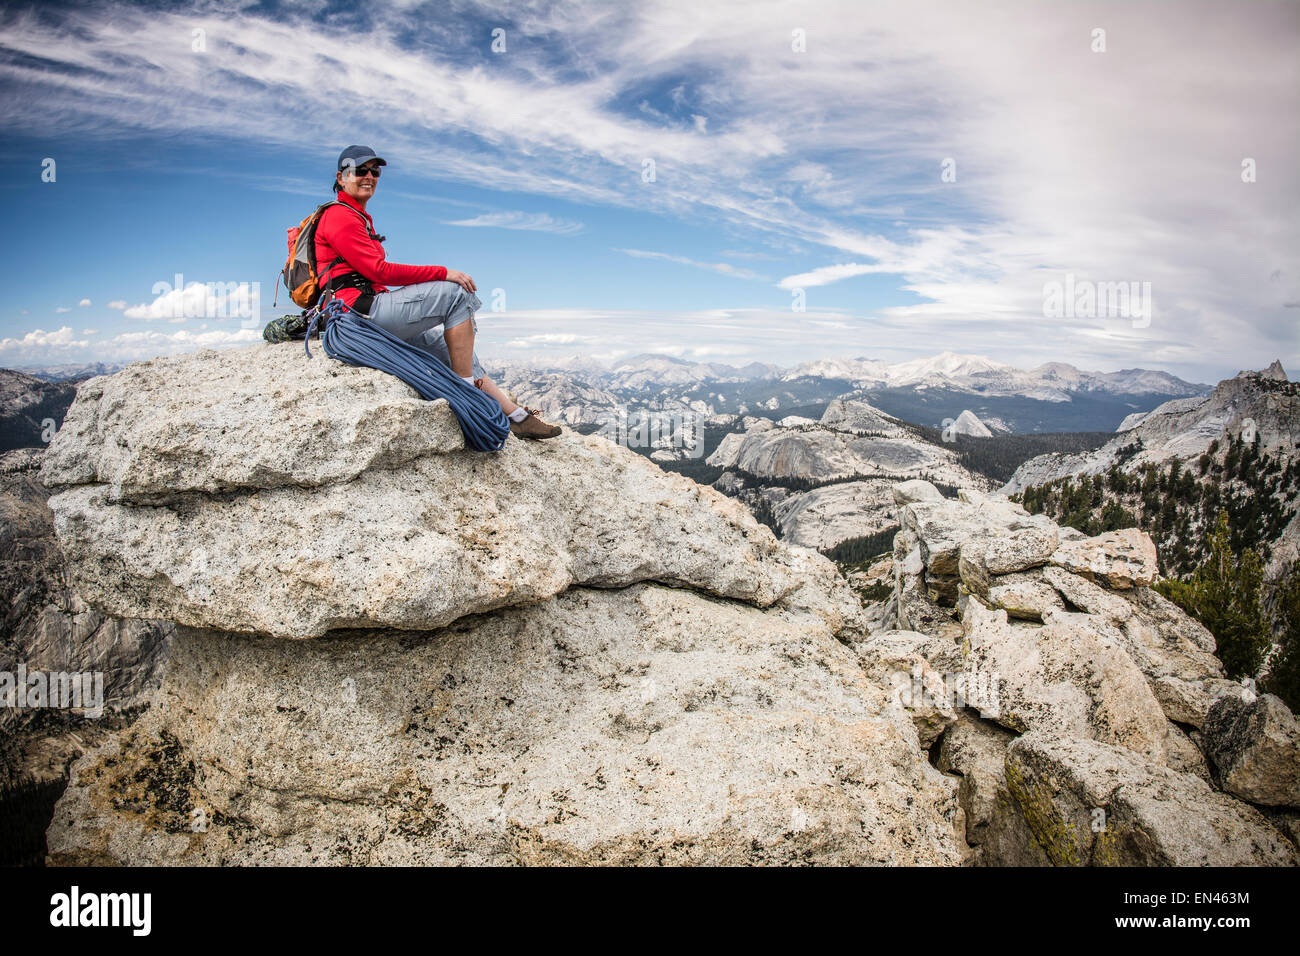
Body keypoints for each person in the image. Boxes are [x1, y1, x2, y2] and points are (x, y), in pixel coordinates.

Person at [315, 145, 561, 440]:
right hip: (359, 316)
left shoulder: (355, 216)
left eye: (375, 171)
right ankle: (467, 394)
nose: (369, 176)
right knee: (457, 294)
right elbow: (378, 271)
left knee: (453, 349)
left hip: (366, 312)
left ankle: (517, 417)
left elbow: (375, 276)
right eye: (360, 171)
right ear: (341, 178)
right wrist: (442, 273)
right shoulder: (340, 216)